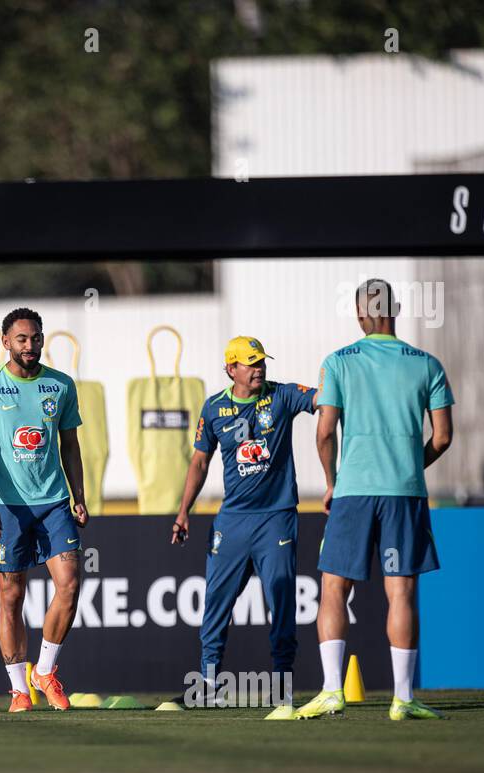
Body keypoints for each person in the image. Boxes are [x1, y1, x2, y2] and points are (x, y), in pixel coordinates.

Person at [295, 279, 454, 721]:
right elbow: (442, 438)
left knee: (334, 589)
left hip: (353, 491)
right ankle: (404, 698)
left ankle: (331, 691)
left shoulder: (340, 362)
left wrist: (331, 481)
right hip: (404, 491)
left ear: (362, 314)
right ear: (396, 310)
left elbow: (325, 432)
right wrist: (406, 464)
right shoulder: (427, 364)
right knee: (400, 591)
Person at [171, 336, 317, 718]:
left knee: (281, 602)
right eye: (250, 363)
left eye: (261, 362)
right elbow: (200, 462)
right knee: (216, 603)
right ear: (230, 369)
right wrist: (183, 510)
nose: (258, 368)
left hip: (277, 517)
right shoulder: (215, 407)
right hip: (232, 521)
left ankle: (282, 688)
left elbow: (322, 399)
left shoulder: (282, 396)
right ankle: (208, 683)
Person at [0, 308, 87, 713]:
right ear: (5, 342)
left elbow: (70, 444)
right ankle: (19, 689)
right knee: (10, 595)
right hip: (5, 505)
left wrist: (79, 493)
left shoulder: (61, 385)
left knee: (69, 583)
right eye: (21, 339)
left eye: (36, 338)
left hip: (52, 500)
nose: (30, 346)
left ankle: (45, 671)